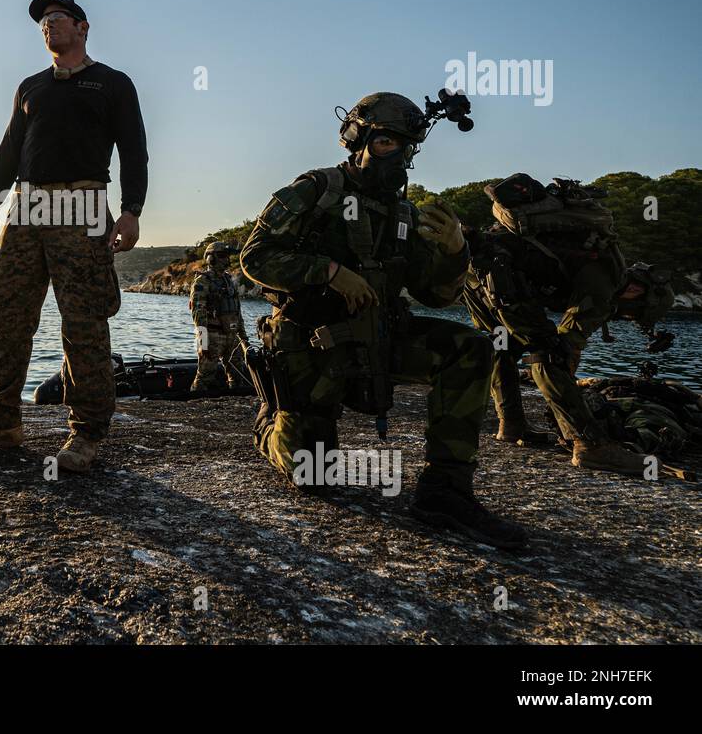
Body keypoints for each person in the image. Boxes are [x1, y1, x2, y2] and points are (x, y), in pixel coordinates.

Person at [240, 92, 527, 550]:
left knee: (471, 346)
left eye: (407, 146)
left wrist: (456, 252)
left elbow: (434, 293)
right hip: (313, 346)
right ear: (359, 139)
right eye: (388, 143)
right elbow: (255, 258)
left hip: (379, 335)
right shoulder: (316, 189)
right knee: (316, 478)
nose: (399, 156)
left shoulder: (403, 213)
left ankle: (444, 491)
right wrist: (330, 272)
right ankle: (269, 422)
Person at [0, 0, 148, 473]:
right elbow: (10, 146)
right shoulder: (30, 86)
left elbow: (134, 150)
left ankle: (86, 433)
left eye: (57, 20)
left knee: (83, 321)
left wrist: (131, 210)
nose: (48, 27)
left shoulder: (113, 84)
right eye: (43, 23)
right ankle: (1, 421)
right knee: (6, 313)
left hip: (83, 211)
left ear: (82, 27)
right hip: (25, 211)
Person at [461, 174, 651, 476]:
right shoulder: (606, 280)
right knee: (546, 351)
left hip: (476, 266)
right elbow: (568, 339)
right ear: (636, 292)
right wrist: (566, 404)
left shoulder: (597, 256)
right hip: (500, 271)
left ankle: (511, 424)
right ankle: (591, 446)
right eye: (634, 313)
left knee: (503, 342)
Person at [190, 241, 248, 391]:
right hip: (212, 335)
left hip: (231, 335)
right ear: (211, 258)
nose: (226, 260)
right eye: (222, 256)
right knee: (204, 376)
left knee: (238, 375)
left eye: (227, 256)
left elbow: (237, 311)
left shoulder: (229, 281)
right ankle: (197, 403)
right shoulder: (202, 281)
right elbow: (198, 313)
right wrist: (203, 343)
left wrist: (243, 338)